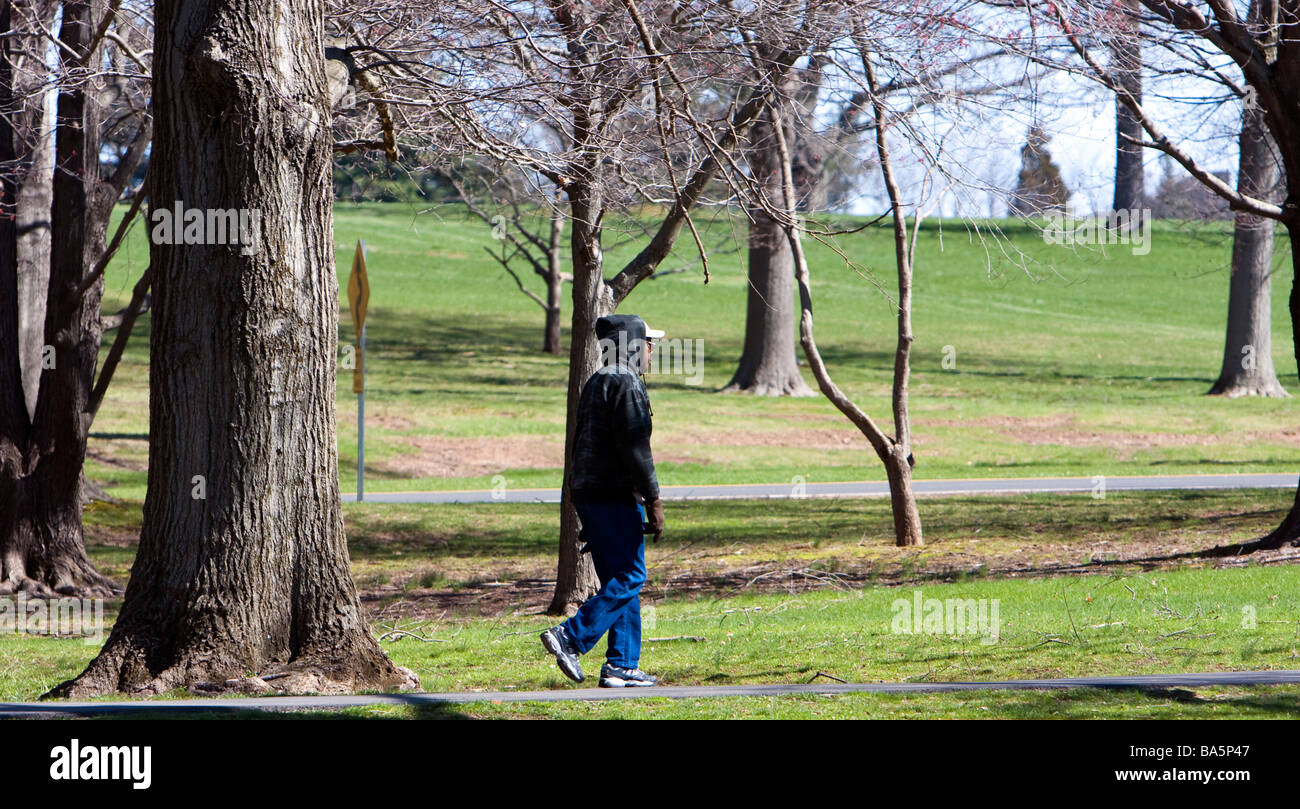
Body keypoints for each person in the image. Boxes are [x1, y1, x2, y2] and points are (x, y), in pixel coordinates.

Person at [540, 314, 666, 687]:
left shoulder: (598, 381)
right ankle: (570, 637)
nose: (652, 350)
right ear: (631, 345)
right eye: (647, 342)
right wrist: (655, 500)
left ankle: (621, 665)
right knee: (631, 575)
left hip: (591, 493)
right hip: (611, 495)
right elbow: (636, 449)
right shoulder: (626, 383)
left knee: (619, 577)